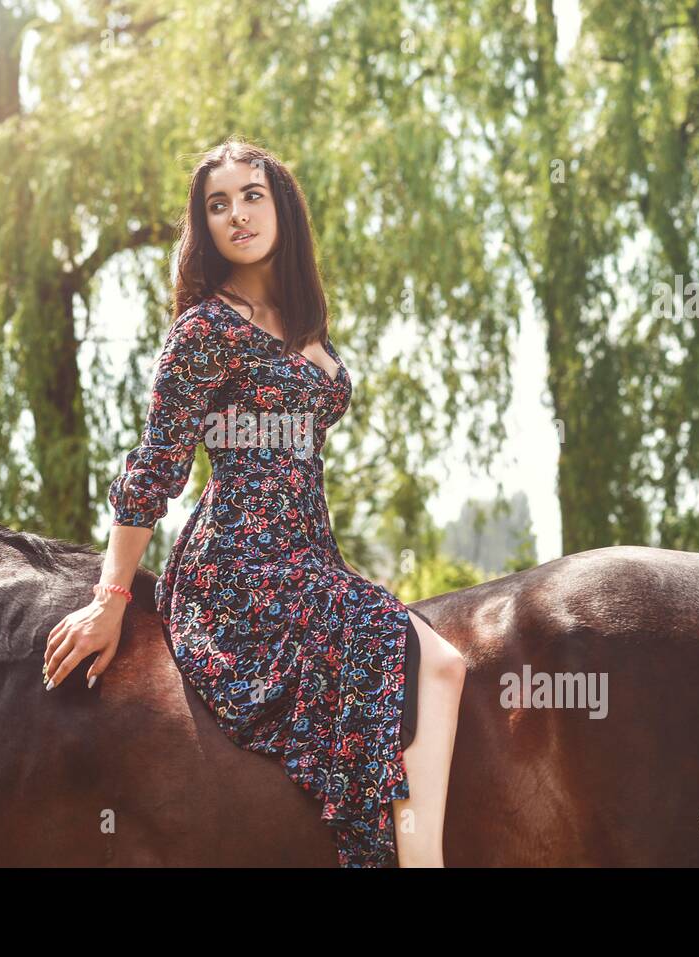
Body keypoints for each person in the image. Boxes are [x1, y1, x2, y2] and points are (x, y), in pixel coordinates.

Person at [44, 137, 466, 867]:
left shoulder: (303, 324)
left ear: (281, 207)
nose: (235, 214)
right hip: (239, 569)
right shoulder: (205, 330)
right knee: (437, 662)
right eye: (217, 205)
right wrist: (110, 597)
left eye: (250, 195)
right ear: (203, 227)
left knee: (429, 662)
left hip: (308, 555)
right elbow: (156, 467)